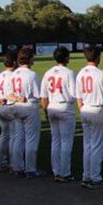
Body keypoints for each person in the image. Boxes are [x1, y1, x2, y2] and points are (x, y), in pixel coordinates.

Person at [41, 46, 77, 182]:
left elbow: (43, 96)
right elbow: (74, 95)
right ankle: (65, 173)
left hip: (51, 107)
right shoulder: (69, 72)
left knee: (55, 141)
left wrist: (45, 110)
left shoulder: (48, 72)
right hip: (64, 107)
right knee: (66, 142)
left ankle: (56, 171)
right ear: (67, 57)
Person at [76, 45, 103, 189]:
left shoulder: (80, 73)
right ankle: (95, 177)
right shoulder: (102, 74)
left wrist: (82, 109)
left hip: (85, 109)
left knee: (87, 144)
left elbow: (78, 97)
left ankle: (86, 175)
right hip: (97, 109)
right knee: (97, 146)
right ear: (97, 57)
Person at [10, 47, 43, 178]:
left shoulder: (14, 74)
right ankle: (30, 169)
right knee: (31, 139)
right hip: (29, 106)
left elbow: (9, 94)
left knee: (18, 138)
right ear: (29, 59)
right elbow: (37, 94)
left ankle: (17, 167)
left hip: (16, 106)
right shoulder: (32, 74)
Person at [0, 50, 17, 172]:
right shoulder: (14, 75)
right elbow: (14, 95)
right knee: (14, 136)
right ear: (14, 62)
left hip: (2, 106)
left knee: (4, 135)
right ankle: (14, 164)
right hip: (11, 107)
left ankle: (1, 162)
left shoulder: (1, 75)